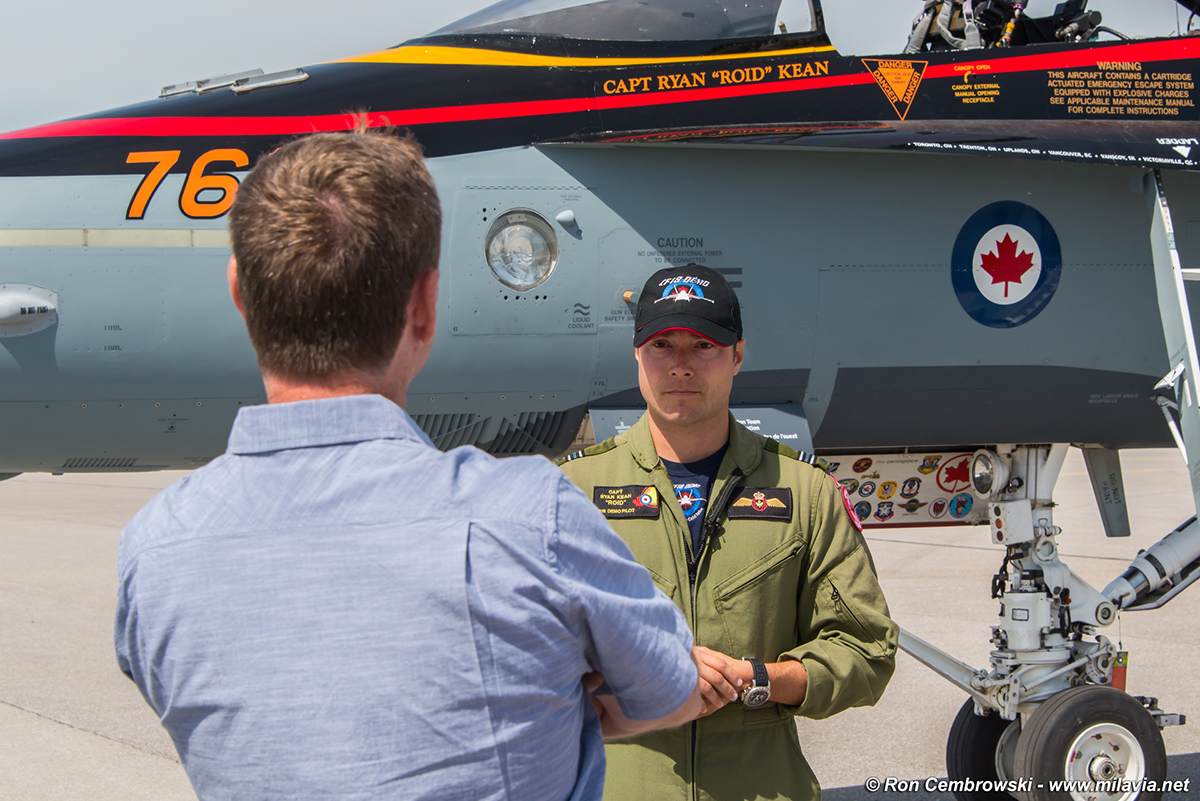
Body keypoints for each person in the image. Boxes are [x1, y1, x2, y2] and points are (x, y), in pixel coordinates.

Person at [113, 129, 704, 801]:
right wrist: (561, 700)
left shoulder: (156, 546)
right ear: (424, 306)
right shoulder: (529, 517)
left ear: (241, 295)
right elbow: (671, 685)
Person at [557, 264, 899, 801]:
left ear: (738, 355)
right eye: (662, 344)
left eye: (704, 346)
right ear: (638, 354)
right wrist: (653, 668)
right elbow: (521, 649)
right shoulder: (573, 491)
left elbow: (866, 650)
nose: (681, 366)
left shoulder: (805, 491)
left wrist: (759, 680)